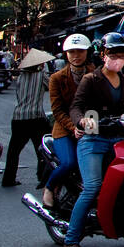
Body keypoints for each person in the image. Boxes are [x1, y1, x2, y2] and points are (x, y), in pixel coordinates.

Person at [62, 33, 124, 247]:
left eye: (122, 55)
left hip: (118, 139)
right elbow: (76, 107)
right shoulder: (90, 80)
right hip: (93, 139)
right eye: (113, 54)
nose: (118, 58)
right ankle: (71, 241)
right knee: (93, 186)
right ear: (103, 55)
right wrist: (82, 121)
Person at [44, 34, 92, 209]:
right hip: (65, 129)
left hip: (91, 126)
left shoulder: (96, 74)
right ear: (66, 54)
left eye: (80, 51)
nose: (76, 55)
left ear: (87, 52)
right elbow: (57, 110)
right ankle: (49, 187)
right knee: (69, 163)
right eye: (72, 52)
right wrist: (73, 127)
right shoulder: (56, 78)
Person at [1, 48, 53, 189]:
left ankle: (8, 179)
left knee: (14, 151)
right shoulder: (41, 75)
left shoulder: (21, 76)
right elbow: (52, 86)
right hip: (36, 117)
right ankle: (42, 177)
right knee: (43, 149)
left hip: (18, 117)